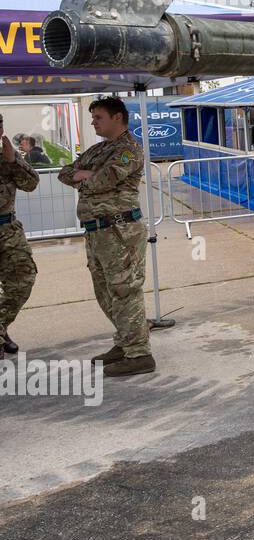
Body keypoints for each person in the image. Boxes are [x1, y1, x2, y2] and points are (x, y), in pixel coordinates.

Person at [58, 96, 154, 377]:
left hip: (119, 231)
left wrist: (85, 175)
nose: (93, 122)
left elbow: (104, 180)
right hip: (97, 232)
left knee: (124, 290)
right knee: (105, 293)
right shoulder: (99, 150)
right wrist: (83, 173)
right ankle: (125, 342)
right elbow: (65, 173)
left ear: (117, 117)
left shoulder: (129, 149)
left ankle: (139, 354)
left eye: (98, 117)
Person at [0, 114, 40, 357]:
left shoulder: (7, 156)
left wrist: (13, 160)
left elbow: (31, 183)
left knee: (22, 280)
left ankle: (1, 328)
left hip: (8, 230)